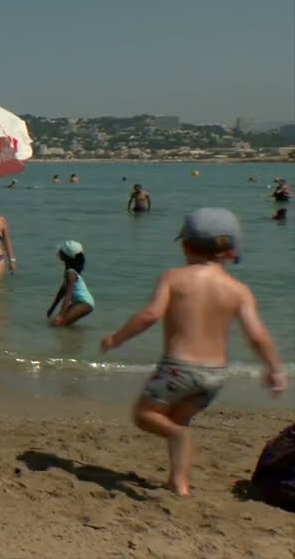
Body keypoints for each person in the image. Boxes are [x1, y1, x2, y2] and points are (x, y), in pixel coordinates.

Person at [100, 208, 286, 497]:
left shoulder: (174, 278)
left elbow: (150, 314)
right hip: (215, 376)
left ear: (186, 245)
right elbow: (257, 333)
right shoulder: (238, 290)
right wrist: (275, 368)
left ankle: (178, 447)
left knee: (145, 416)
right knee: (179, 420)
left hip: (178, 369)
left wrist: (117, 338)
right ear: (232, 250)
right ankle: (179, 484)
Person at [47, 240, 94, 326]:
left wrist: (61, 315)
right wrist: (52, 308)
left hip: (84, 303)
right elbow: (61, 292)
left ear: (67, 257)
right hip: (79, 303)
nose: (59, 252)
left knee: (59, 324)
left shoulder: (71, 273)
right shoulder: (69, 271)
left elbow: (68, 295)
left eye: (61, 251)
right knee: (57, 324)